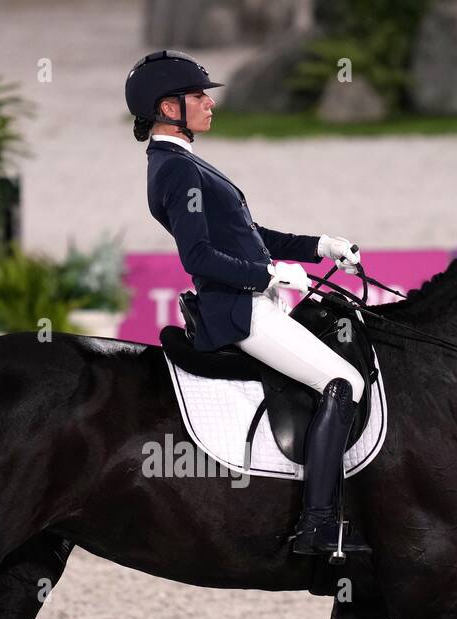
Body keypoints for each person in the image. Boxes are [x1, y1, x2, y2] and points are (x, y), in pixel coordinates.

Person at [126, 50, 371, 557]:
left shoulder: (184, 162)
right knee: (341, 382)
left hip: (254, 300)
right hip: (237, 311)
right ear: (168, 107)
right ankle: (317, 526)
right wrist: (268, 274)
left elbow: (251, 235)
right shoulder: (175, 171)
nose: (209, 104)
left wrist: (318, 246)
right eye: (198, 96)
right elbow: (198, 256)